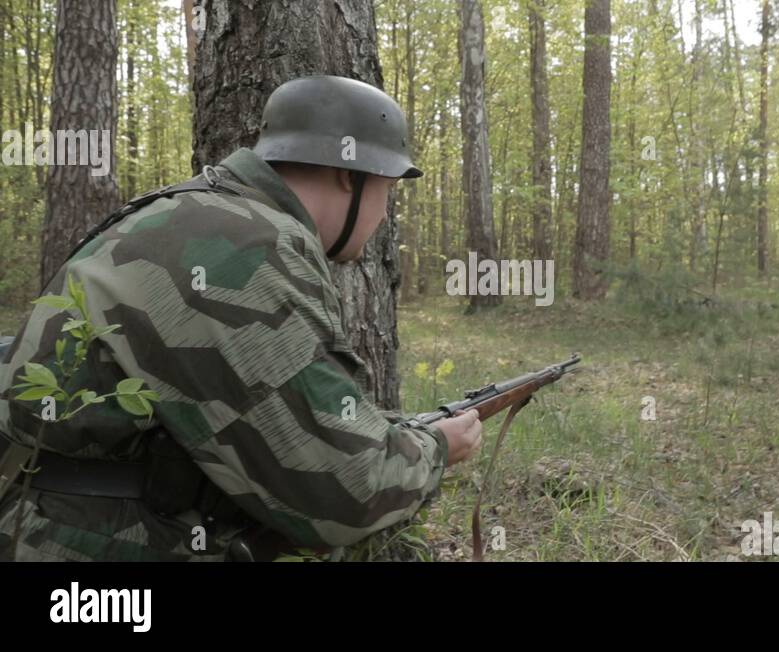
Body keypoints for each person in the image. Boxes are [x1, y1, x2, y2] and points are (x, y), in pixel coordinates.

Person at [0, 75, 482, 561]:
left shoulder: (187, 209)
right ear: (348, 176)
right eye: (386, 191)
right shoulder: (251, 249)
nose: (383, 217)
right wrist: (437, 449)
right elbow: (344, 496)